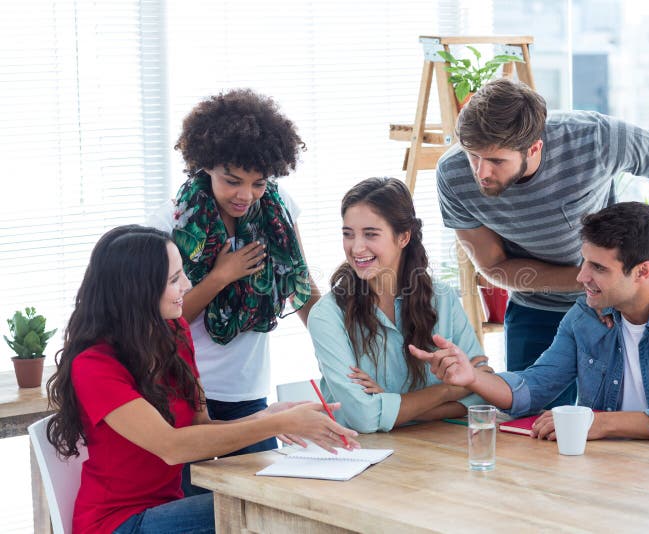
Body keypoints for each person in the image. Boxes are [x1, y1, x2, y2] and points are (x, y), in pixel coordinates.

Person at [436, 77, 649, 408]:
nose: (480, 172)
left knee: (637, 414)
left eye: (496, 161)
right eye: (473, 156)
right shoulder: (453, 175)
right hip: (537, 309)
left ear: (534, 148)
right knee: (529, 423)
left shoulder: (595, 139)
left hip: (622, 305)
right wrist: (589, 284)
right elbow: (495, 266)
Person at [46, 226, 358, 534]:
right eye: (173, 279)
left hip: (168, 506)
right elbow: (171, 447)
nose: (186, 284)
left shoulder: (173, 333)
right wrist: (279, 425)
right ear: (137, 292)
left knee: (284, 505)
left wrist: (268, 414)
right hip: (119, 524)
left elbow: (200, 430)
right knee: (274, 509)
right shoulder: (94, 366)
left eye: (181, 273)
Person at [411, 202, 649, 443]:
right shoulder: (585, 316)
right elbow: (536, 386)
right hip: (605, 475)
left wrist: (601, 423)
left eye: (599, 268)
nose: (581, 277)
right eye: (584, 262)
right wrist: (472, 377)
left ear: (642, 271)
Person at [149, 89, 320, 490]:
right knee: (204, 513)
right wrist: (221, 276)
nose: (245, 195)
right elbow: (164, 320)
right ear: (205, 164)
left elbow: (301, 286)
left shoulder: (279, 209)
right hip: (187, 396)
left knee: (262, 508)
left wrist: (342, 349)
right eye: (232, 181)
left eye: (258, 183)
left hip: (249, 393)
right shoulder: (169, 223)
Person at [307, 177, 491, 433]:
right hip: (361, 458)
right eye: (348, 234)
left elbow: (482, 393)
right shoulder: (327, 316)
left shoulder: (443, 299)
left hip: (436, 451)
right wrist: (448, 390)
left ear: (403, 237)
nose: (356, 247)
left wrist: (391, 406)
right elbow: (363, 417)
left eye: (370, 234)